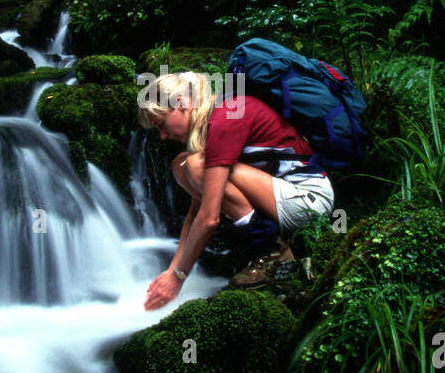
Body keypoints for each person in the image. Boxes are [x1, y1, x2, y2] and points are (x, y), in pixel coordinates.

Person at [138, 71, 334, 310]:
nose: (163, 136)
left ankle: (273, 250)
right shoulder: (210, 126)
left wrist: (179, 278)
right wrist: (171, 270)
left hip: (308, 198)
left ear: (180, 103)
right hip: (282, 197)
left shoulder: (225, 119)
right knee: (181, 163)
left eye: (161, 124)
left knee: (196, 165)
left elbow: (209, 218)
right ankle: (264, 241)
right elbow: (194, 214)